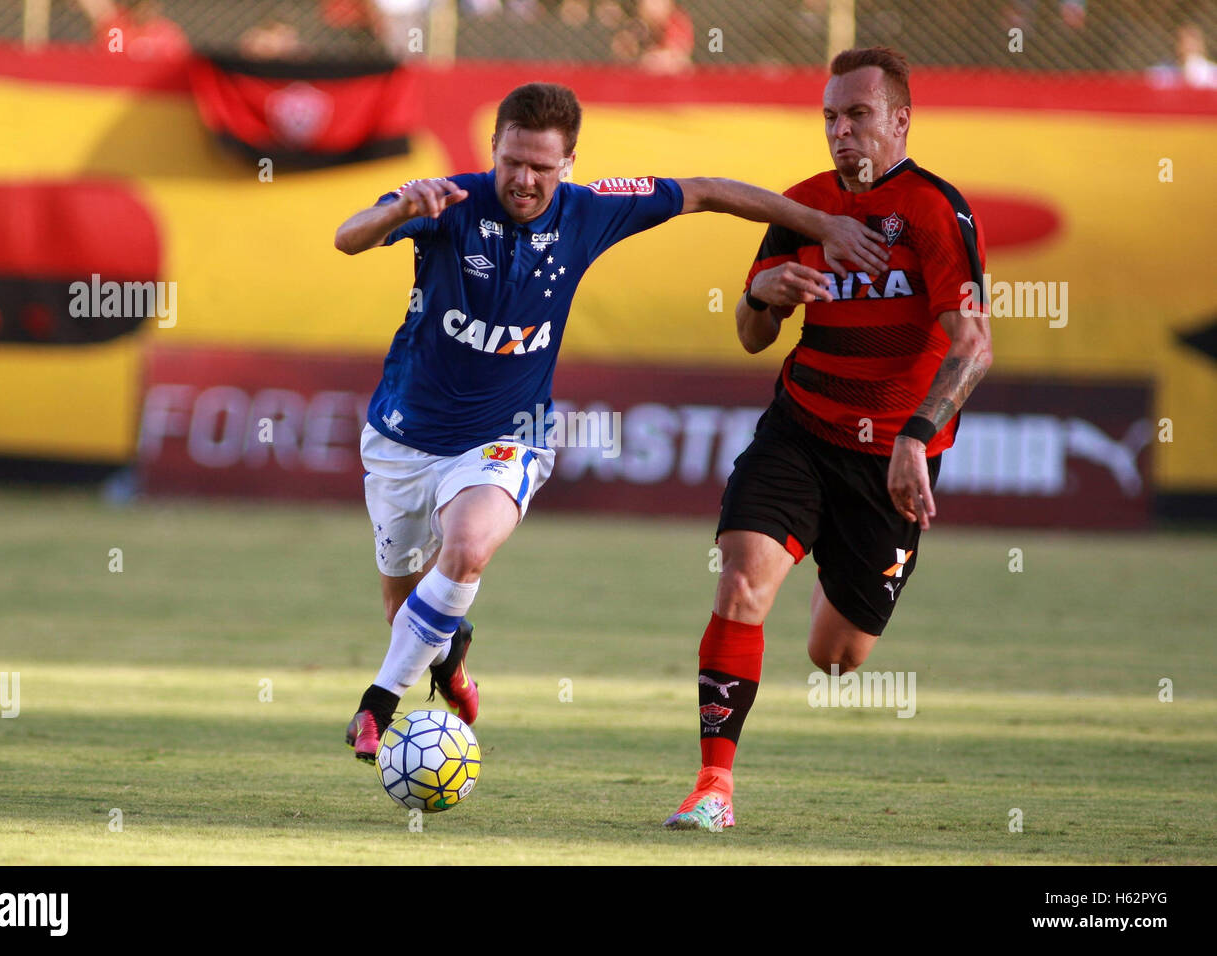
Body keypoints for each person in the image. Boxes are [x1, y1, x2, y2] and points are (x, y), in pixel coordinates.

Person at [333, 81, 890, 763]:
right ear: (494, 151)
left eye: (542, 166)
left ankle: (376, 707)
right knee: (406, 613)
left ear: (569, 163)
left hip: (508, 435)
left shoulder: (591, 210)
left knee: (470, 546)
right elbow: (347, 238)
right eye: (512, 163)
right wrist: (394, 212)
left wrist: (822, 224)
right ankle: (448, 661)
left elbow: (708, 189)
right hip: (401, 438)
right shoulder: (450, 200)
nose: (525, 180)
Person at [663, 47, 992, 831]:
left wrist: (917, 436)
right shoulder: (800, 207)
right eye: (831, 119)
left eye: (859, 116)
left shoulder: (936, 212)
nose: (842, 134)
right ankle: (714, 788)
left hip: (892, 461)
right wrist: (759, 295)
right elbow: (751, 337)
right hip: (801, 431)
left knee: (837, 658)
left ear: (901, 120)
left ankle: (835, 566)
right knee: (742, 581)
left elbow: (973, 343)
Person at [73, 0, 190, 60]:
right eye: (139, 4)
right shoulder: (117, 28)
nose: (145, 9)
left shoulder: (167, 33)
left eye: (149, 4)